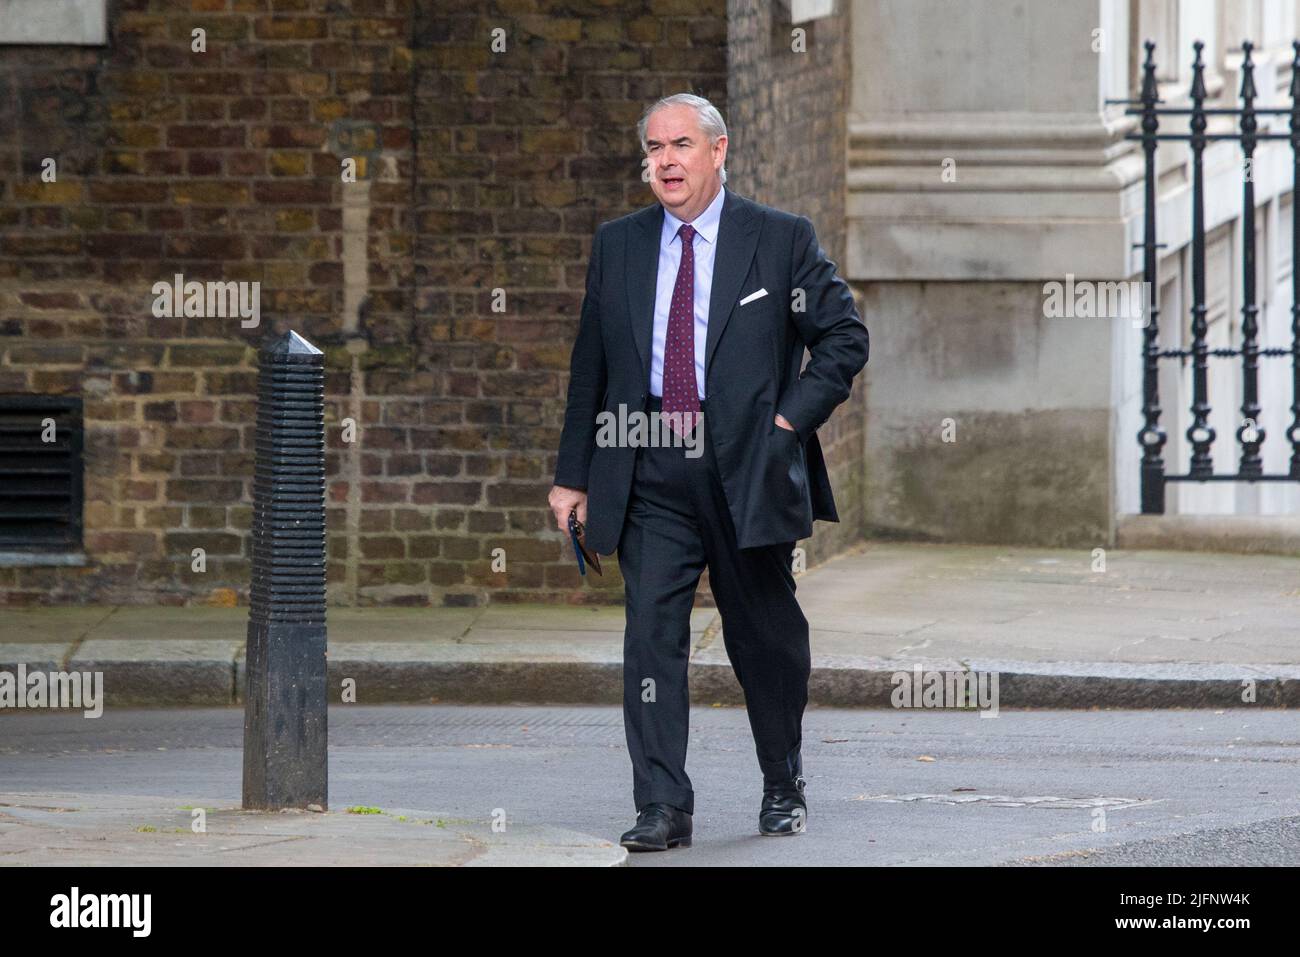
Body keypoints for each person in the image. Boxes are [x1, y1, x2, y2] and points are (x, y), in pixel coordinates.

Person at [548, 93, 869, 851]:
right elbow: (588, 365)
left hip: (746, 467)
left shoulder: (780, 240)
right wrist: (572, 476)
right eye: (654, 148)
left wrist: (786, 423)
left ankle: (782, 777)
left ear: (717, 152)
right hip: (649, 462)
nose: (665, 161)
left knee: (764, 637)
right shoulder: (619, 245)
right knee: (650, 636)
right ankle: (663, 803)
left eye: (681, 145)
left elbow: (843, 339)